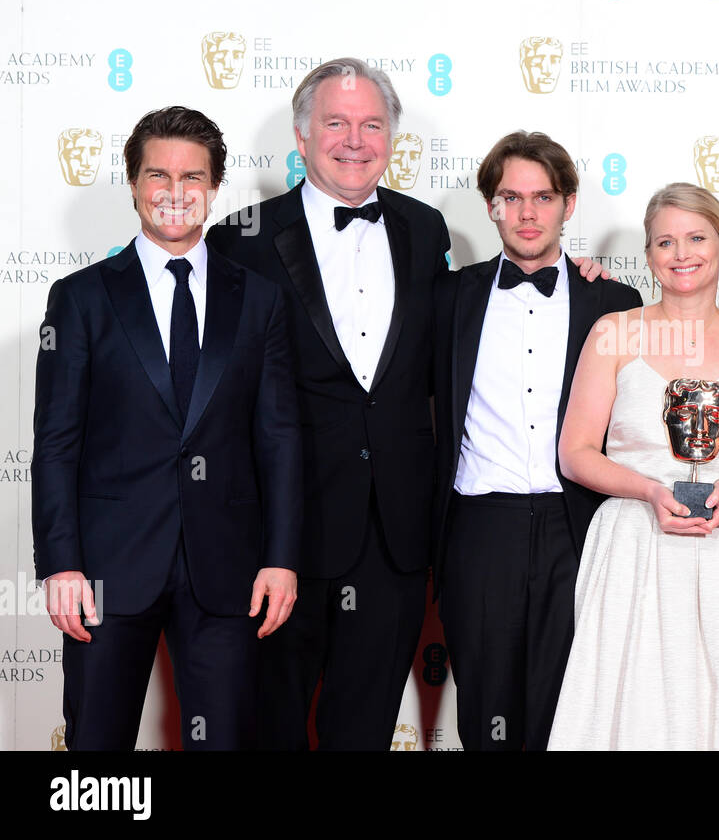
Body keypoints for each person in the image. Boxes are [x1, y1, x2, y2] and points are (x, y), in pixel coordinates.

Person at [432, 135, 719, 751]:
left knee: (581, 708)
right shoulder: (447, 297)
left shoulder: (607, 298)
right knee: (486, 711)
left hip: (578, 526)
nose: (528, 213)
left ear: (568, 205)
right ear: (490, 206)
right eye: (512, 197)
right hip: (484, 528)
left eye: (543, 197)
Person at [34, 106, 301, 750]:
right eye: (158, 175)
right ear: (133, 184)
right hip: (107, 566)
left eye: (192, 177)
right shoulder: (81, 298)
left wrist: (281, 559)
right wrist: (62, 564)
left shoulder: (258, 298)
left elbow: (279, 437)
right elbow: (56, 443)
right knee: (97, 750)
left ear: (213, 187)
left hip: (227, 566)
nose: (175, 193)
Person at [206, 58, 449, 750]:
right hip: (280, 536)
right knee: (269, 726)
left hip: (392, 536)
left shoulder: (425, 230)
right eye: (336, 123)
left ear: (391, 139)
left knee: (364, 729)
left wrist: (583, 275)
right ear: (302, 135)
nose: (354, 140)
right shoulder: (240, 239)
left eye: (372, 124)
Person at [548, 183, 719, 750]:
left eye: (696, 237)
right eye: (665, 241)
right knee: (630, 708)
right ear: (647, 257)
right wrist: (648, 490)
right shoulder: (613, 333)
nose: (682, 252)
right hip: (633, 545)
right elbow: (575, 452)